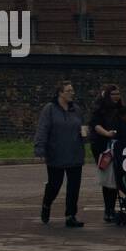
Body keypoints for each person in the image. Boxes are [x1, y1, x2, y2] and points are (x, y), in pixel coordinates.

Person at [33, 79, 86, 227]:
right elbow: (43, 129)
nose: (72, 93)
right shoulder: (49, 109)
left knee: (74, 187)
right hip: (56, 153)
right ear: (60, 93)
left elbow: (82, 127)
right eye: (68, 91)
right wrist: (39, 148)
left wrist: (85, 134)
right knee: (55, 184)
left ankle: (70, 215)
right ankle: (46, 203)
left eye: (72, 91)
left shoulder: (76, 109)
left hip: (75, 153)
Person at [90, 83, 126, 222]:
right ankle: (109, 209)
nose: (116, 97)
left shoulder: (124, 110)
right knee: (109, 180)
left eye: (118, 94)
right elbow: (96, 125)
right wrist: (107, 133)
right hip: (106, 148)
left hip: (124, 147)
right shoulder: (101, 110)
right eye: (113, 94)